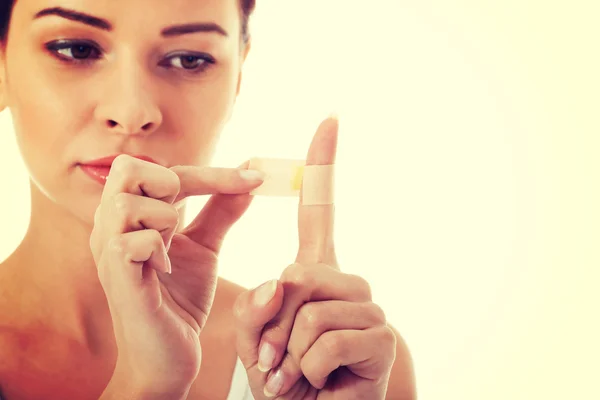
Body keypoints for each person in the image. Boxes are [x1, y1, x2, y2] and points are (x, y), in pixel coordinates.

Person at [0, 0, 416, 399]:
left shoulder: (343, 364)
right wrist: (148, 385)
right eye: (75, 49)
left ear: (238, 78)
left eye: (189, 59)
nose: (132, 110)